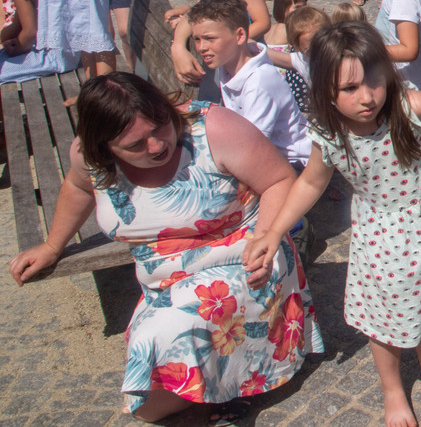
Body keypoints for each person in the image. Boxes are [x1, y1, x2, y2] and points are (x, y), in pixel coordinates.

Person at [9, 73, 322, 422]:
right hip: (163, 283)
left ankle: (230, 380)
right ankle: (219, 381)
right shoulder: (89, 156)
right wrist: (53, 246)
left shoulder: (212, 129)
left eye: (159, 127)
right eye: (134, 145)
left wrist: (267, 236)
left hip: (244, 259)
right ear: (105, 147)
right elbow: (79, 188)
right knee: (152, 387)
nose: (156, 146)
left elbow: (280, 180)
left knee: (152, 387)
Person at [244, 22, 421, 427]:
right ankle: (393, 392)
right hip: (378, 230)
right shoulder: (329, 134)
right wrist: (274, 231)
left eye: (373, 82)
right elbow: (311, 182)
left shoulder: (413, 107)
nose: (366, 97)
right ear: (325, 91)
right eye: (349, 89)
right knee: (380, 315)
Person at [188, 0, 311, 167]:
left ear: (239, 36)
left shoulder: (260, 80)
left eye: (209, 39)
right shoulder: (228, 67)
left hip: (294, 163)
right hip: (267, 155)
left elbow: (252, 145)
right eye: (197, 40)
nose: (201, 47)